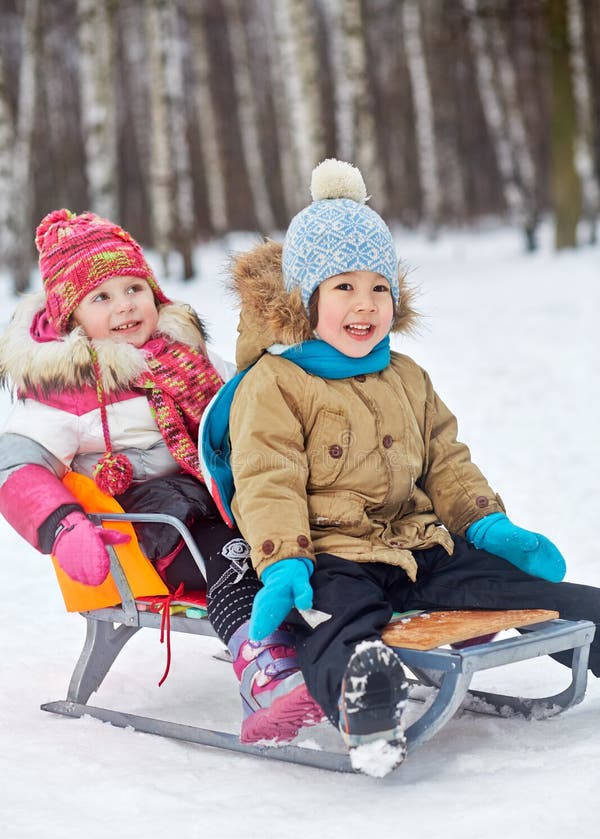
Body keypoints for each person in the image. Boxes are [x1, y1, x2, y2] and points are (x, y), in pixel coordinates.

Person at [201, 158, 600, 775]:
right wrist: (283, 561)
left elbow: (445, 458)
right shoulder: (274, 384)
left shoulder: (406, 375)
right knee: (342, 626)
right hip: (331, 554)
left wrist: (486, 525)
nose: (365, 306)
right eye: (343, 288)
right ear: (306, 300)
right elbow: (266, 477)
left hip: (419, 545)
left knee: (525, 589)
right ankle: (365, 700)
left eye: (378, 288)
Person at [0, 208, 323, 743]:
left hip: (225, 496)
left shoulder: (186, 354)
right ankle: (267, 675)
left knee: (304, 533)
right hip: (154, 527)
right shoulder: (63, 388)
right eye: (100, 297)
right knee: (235, 557)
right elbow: (15, 466)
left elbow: (246, 405)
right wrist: (62, 527)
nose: (125, 305)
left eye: (134, 287)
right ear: (70, 317)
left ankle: (351, 640)